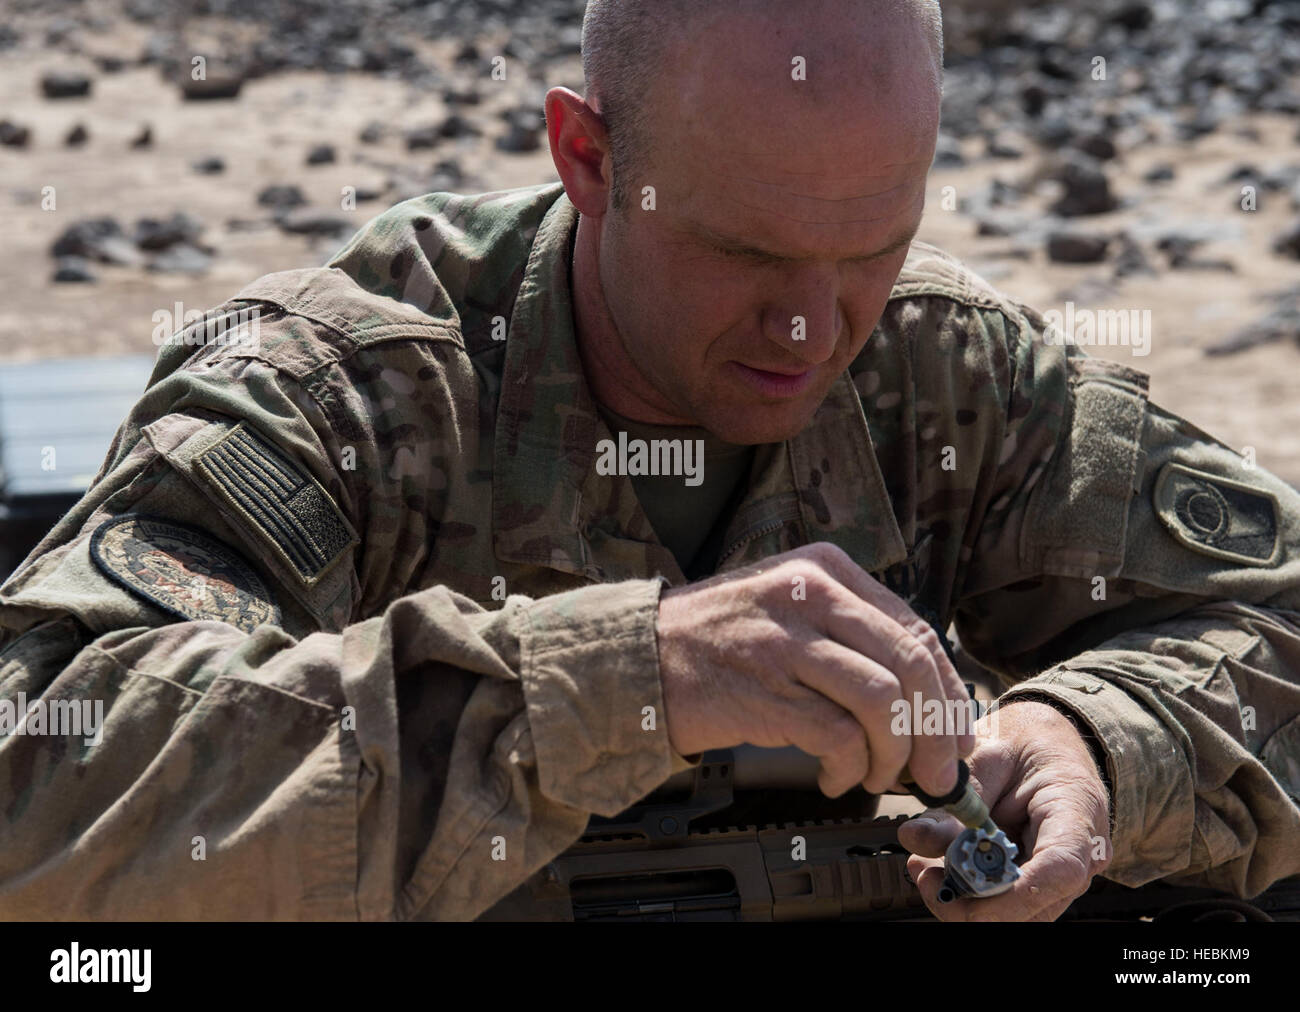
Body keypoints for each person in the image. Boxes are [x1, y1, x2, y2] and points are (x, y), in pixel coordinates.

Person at [1, 0, 1297, 922]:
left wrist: (1098, 743)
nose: (813, 327)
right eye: (745, 254)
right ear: (588, 158)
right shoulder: (348, 395)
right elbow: (40, 779)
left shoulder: (941, 376)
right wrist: (624, 681)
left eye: (870, 250)